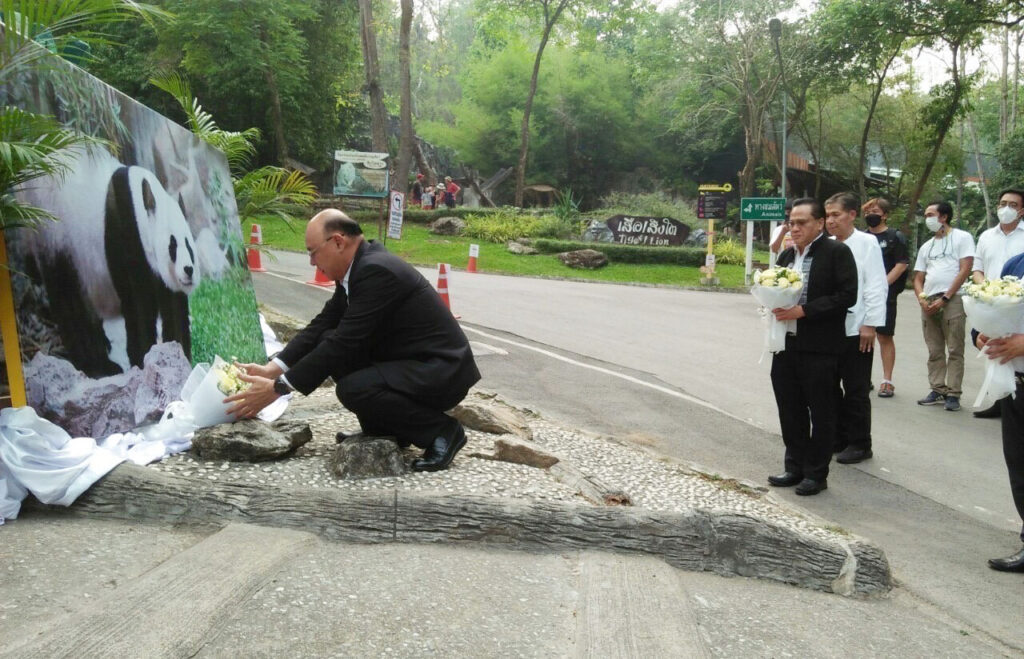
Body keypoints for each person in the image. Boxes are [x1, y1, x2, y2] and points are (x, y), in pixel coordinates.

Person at [226, 210, 481, 472]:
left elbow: (344, 342)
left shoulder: (376, 270)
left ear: (338, 241)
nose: (312, 262)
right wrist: (273, 369)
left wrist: (277, 389)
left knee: (354, 387)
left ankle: (442, 431)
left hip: (441, 371)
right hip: (411, 362)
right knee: (328, 341)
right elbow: (322, 326)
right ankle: (387, 430)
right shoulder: (359, 268)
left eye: (313, 252)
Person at [768, 198, 858, 496]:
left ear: (820, 223)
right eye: (791, 222)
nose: (795, 228)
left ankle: (816, 473)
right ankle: (794, 466)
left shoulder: (836, 252)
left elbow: (846, 295)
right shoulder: (785, 257)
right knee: (789, 408)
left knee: (821, 411)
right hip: (785, 343)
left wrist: (804, 311)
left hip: (820, 346)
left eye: (802, 222)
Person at [825, 192, 888, 465]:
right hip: (829, 327)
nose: (830, 221)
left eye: (836, 215)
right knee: (829, 386)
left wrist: (870, 324)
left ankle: (860, 443)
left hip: (858, 327)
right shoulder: (825, 245)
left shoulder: (867, 243)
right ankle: (838, 437)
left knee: (856, 388)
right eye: (827, 216)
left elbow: (875, 284)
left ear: (852, 214)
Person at [976, 250, 1024, 572]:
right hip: (1016, 382)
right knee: (1019, 464)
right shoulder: (1016, 263)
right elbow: (992, 306)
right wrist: (982, 335)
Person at [912, 201, 975, 411]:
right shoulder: (926, 246)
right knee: (934, 349)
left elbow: (965, 269)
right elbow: (918, 277)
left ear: (943, 217)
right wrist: (922, 299)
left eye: (931, 214)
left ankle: (953, 394)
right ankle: (937, 389)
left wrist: (946, 298)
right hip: (929, 300)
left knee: (955, 348)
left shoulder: (962, 238)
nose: (927, 218)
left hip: (953, 299)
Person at [970, 188, 1024, 419]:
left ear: (1021, 211)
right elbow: (977, 269)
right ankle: (1000, 398)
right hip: (990, 302)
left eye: (1013, 205)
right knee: (992, 348)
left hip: (1017, 306)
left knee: (1013, 350)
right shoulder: (986, 237)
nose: (1006, 209)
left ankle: (1011, 397)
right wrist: (988, 292)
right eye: (1003, 203)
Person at [862, 198, 909, 399]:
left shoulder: (894, 237)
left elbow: (901, 264)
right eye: (867, 211)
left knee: (884, 337)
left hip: (885, 295)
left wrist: (881, 285)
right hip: (861, 296)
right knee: (862, 336)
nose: (871, 214)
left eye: (875, 210)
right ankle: (864, 378)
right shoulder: (861, 237)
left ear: (885, 215)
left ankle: (887, 381)